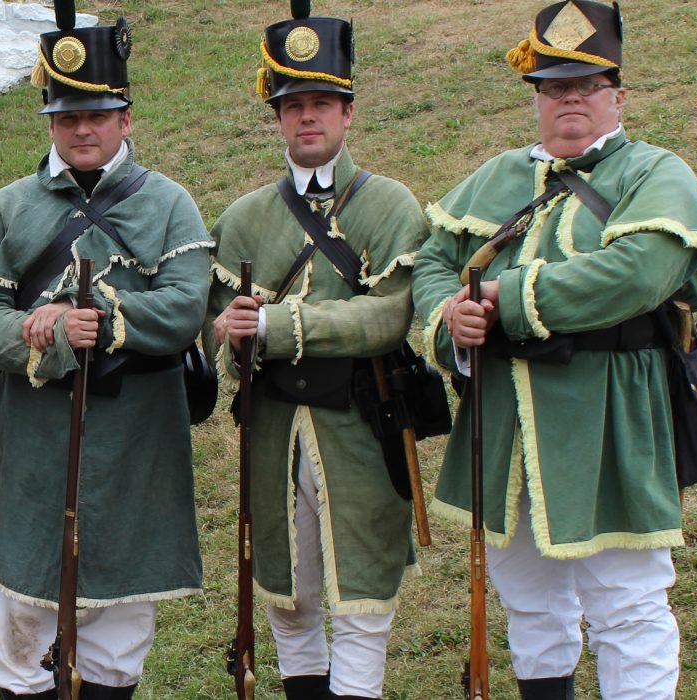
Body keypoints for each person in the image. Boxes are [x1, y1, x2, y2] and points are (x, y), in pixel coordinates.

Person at [409, 2, 697, 698]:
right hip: (505, 420)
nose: (571, 100)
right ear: (537, 98)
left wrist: (505, 297)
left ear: (618, 95)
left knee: (628, 605)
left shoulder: (654, 173)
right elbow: (434, 259)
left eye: (588, 85)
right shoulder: (498, 176)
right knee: (528, 600)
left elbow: (640, 273)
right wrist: (450, 317)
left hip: (611, 411)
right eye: (556, 87)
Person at [0, 3, 212, 697]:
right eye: (67, 116)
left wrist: (92, 315)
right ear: (50, 123)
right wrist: (40, 337)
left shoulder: (170, 205)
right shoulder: (10, 206)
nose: (82, 129)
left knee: (117, 634)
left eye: (97, 115)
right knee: (22, 622)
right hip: (33, 435)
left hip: (138, 439)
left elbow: (185, 306)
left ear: (125, 119)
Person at [203, 4, 427, 698]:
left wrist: (274, 326)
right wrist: (232, 335)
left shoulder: (391, 205)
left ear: (348, 113)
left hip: (360, 421)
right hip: (273, 427)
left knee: (361, 598)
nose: (308, 117)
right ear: (277, 118)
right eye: (293, 105)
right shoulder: (244, 218)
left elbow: (386, 317)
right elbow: (218, 332)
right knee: (288, 593)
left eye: (322, 104)